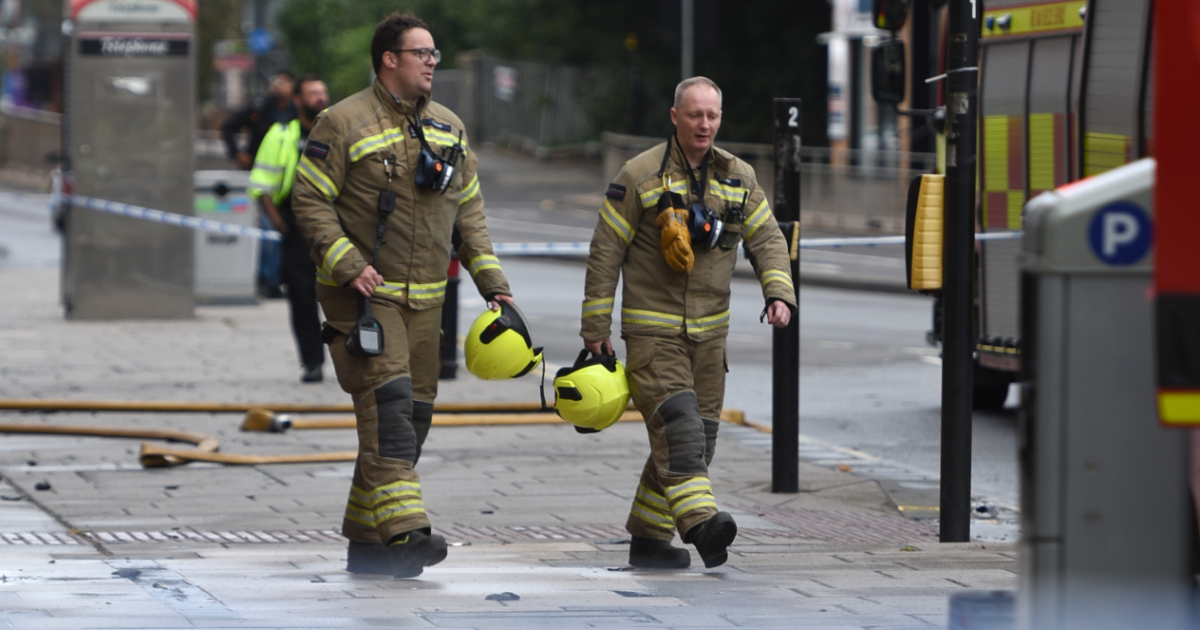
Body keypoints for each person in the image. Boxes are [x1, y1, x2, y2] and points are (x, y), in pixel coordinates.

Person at [291, 12, 515, 579]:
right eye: (423, 53)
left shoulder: (450, 127)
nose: (433, 62)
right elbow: (309, 200)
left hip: (427, 302)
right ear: (390, 59)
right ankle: (406, 535)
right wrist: (345, 263)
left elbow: (471, 215)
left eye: (435, 54)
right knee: (389, 411)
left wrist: (497, 290)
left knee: (412, 419)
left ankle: (366, 544)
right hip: (363, 299)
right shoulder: (341, 123)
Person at [579, 77, 797, 570]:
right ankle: (703, 525)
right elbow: (605, 252)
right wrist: (596, 324)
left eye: (713, 116)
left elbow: (767, 238)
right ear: (675, 117)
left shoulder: (738, 177)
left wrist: (778, 293)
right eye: (695, 115)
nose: (705, 124)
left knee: (701, 438)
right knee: (679, 430)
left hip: (709, 339)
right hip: (653, 335)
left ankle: (650, 538)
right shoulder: (639, 175)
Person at [248, 75, 330, 383]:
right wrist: (281, 223)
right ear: (298, 100)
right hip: (297, 230)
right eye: (313, 93)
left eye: (323, 92)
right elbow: (262, 186)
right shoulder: (281, 135)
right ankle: (312, 361)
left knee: (349, 296)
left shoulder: (339, 134)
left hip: (338, 227)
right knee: (302, 296)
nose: (320, 97)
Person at [222, 70, 297, 299]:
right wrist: (237, 153)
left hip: (289, 181)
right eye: (276, 80)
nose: (278, 84)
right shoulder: (259, 107)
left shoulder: (296, 111)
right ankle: (267, 280)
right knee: (268, 230)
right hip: (261, 179)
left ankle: (280, 276)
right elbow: (228, 127)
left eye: (284, 81)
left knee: (285, 230)